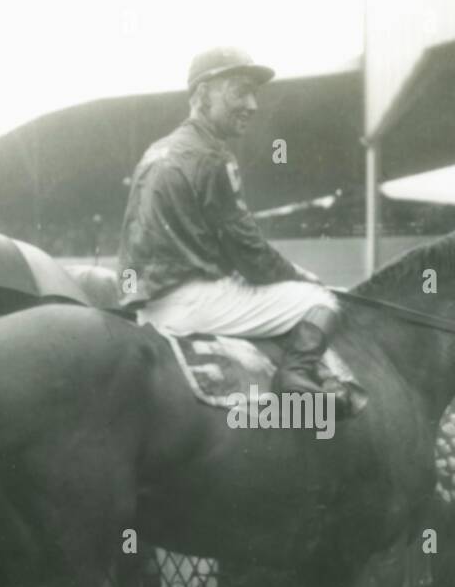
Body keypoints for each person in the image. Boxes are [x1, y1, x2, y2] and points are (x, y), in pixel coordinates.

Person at [118, 46, 352, 413]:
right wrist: (301, 276)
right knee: (323, 301)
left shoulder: (155, 150)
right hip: (192, 303)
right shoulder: (212, 155)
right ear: (201, 95)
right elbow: (251, 255)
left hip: (146, 306)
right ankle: (296, 376)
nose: (252, 105)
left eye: (253, 93)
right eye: (239, 91)